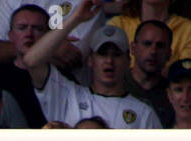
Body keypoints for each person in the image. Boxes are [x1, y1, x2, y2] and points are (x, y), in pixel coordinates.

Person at [24, 15, 162, 130]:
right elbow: (31, 61)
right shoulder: (67, 95)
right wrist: (77, 18)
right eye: (102, 54)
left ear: (128, 60)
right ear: (90, 60)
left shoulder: (144, 113)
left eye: (116, 54)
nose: (109, 60)